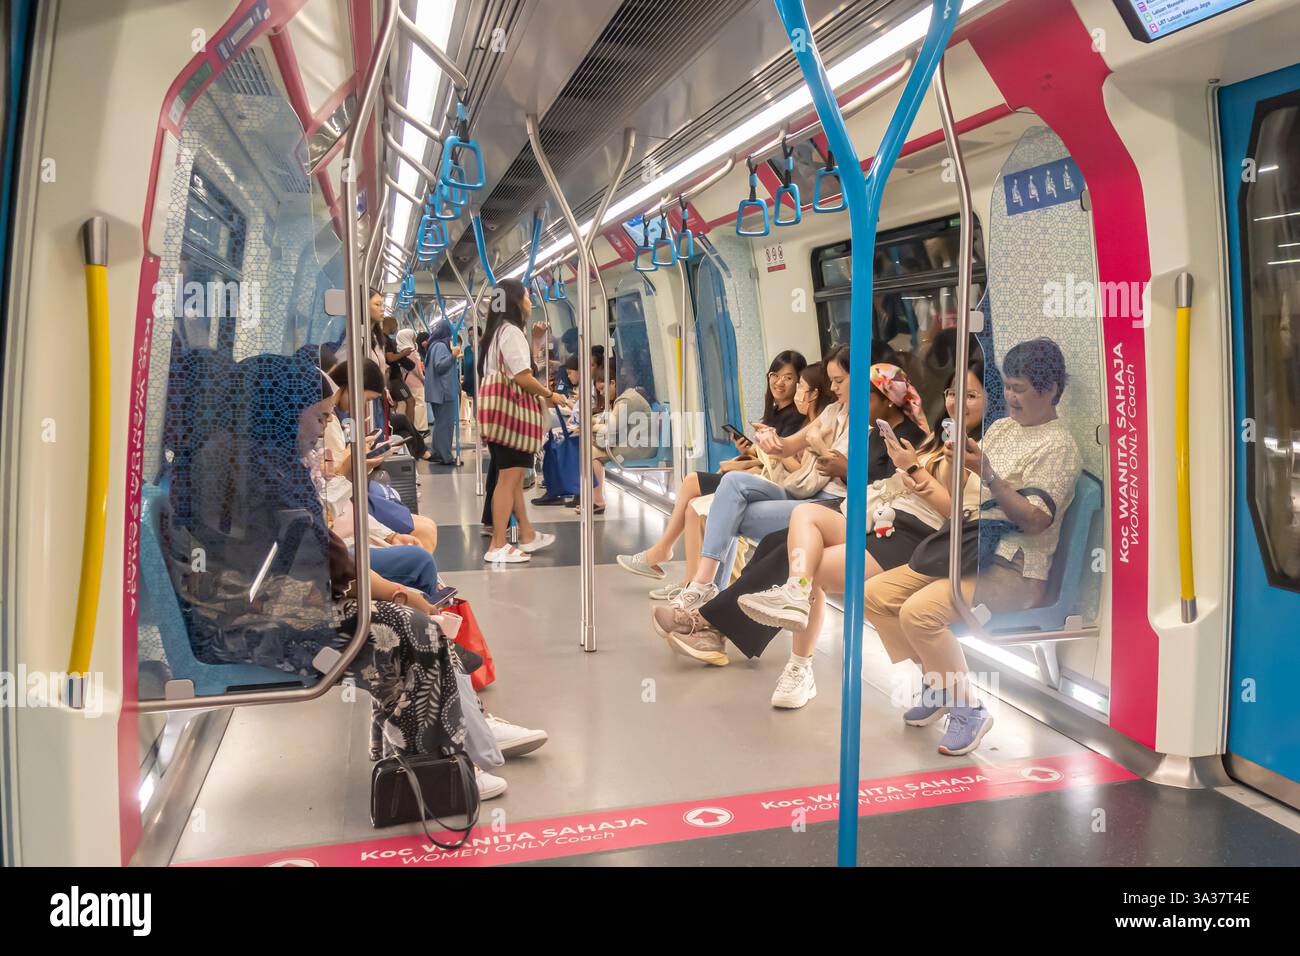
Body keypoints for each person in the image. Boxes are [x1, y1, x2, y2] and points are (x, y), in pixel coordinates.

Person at [724, 357, 990, 708]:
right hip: (877, 513)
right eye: (953, 393)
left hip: (910, 531)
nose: (956, 402)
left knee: (806, 560)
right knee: (803, 518)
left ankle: (801, 658)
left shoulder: (972, 451)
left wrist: (912, 471)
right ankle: (792, 600)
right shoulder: (933, 440)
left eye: (969, 395)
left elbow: (955, 513)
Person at [861, 336, 1081, 756]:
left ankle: (970, 708)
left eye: (1020, 388)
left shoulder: (1059, 445)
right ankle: (941, 683)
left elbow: (1035, 521)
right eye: (1008, 386)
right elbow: (957, 503)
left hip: (1014, 571)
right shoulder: (999, 429)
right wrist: (932, 467)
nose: (1011, 397)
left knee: (919, 613)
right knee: (875, 595)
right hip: (967, 551)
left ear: (1050, 389)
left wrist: (991, 474)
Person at [665, 349, 929, 621]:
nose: (833, 388)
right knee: (730, 484)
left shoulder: (875, 428)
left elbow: (882, 483)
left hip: (829, 502)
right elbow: (787, 447)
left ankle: (706, 599)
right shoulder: (834, 413)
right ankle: (703, 585)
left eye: (839, 380)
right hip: (801, 488)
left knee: (725, 512)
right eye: (831, 381)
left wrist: (840, 466)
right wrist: (769, 440)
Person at [615, 350, 815, 590]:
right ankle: (689, 580)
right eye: (775, 375)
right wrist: (752, 449)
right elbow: (772, 457)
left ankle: (665, 554)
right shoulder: (774, 414)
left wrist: (768, 449)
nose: (779, 382)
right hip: (761, 476)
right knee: (692, 508)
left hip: (768, 483)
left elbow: (791, 464)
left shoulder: (799, 420)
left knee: (691, 483)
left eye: (789, 378)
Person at [478, 277, 568, 563]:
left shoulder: (495, 333)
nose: (530, 302)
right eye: (527, 297)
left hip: (497, 416)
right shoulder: (511, 331)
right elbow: (522, 376)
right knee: (508, 481)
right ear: (516, 301)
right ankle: (498, 545)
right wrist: (550, 395)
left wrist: (535, 342)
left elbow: (515, 366)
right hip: (511, 417)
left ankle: (526, 535)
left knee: (513, 479)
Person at [586, 354, 653, 513]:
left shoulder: (626, 401)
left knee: (593, 453)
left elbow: (610, 430)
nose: (601, 393)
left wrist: (591, 427)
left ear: (612, 383)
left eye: (602, 389)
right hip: (636, 442)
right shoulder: (626, 397)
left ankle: (597, 500)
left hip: (640, 449)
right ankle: (592, 497)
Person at [423, 317, 461, 465]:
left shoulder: (434, 345)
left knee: (440, 425)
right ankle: (446, 456)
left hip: (438, 392)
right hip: (444, 392)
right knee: (446, 425)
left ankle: (439, 452)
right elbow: (440, 366)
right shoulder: (440, 346)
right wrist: (453, 356)